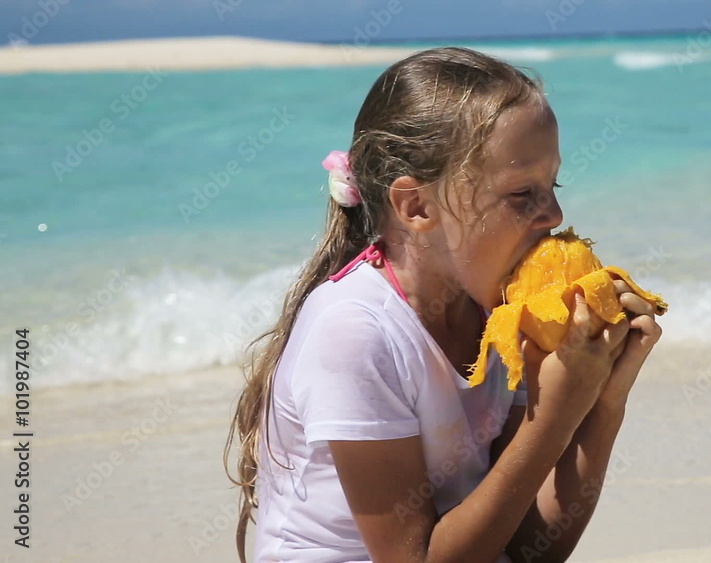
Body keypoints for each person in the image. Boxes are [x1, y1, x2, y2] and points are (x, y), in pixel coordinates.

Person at [225, 46, 662, 563]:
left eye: (553, 185)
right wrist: (555, 418)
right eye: (522, 194)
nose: (555, 214)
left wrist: (604, 401)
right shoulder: (355, 332)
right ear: (416, 207)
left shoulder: (499, 313)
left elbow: (530, 550)